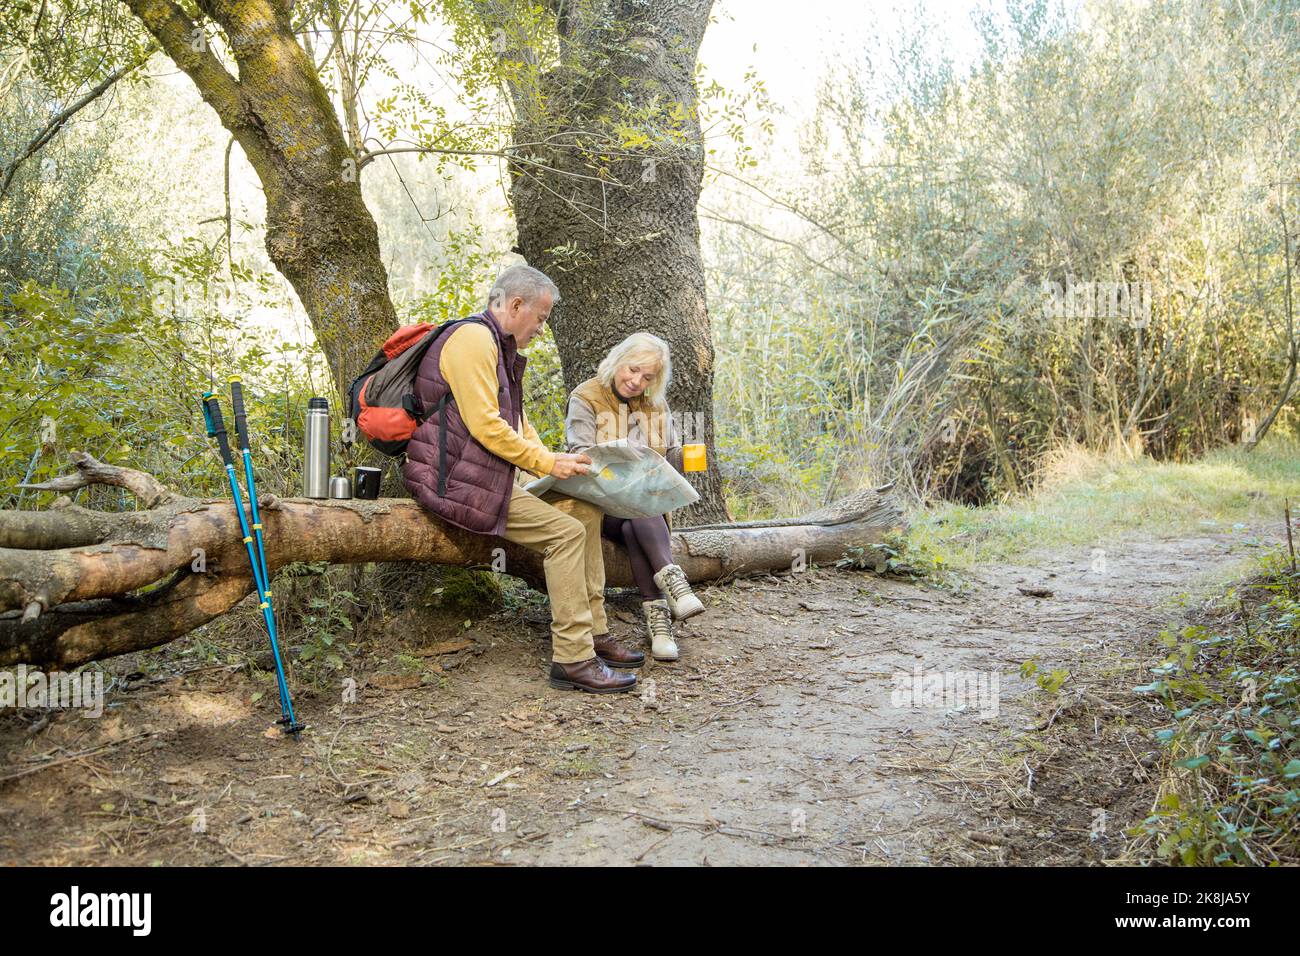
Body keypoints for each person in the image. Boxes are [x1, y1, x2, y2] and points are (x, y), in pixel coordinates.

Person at [403, 264, 645, 693]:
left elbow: (516, 423)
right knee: (566, 534)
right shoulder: (473, 340)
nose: (541, 328)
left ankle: (594, 632)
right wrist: (547, 464)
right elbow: (487, 427)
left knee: (582, 509)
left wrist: (558, 463)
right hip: (456, 483)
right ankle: (573, 659)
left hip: (487, 479)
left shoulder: (497, 346)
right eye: (541, 318)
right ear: (516, 305)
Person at [565, 332, 706, 662]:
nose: (636, 381)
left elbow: (668, 454)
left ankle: (660, 624)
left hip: (644, 511)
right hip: (602, 506)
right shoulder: (585, 397)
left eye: (647, 377)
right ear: (618, 360)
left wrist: (683, 457)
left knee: (637, 520)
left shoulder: (655, 403)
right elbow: (580, 455)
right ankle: (672, 583)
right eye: (632, 370)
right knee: (637, 511)